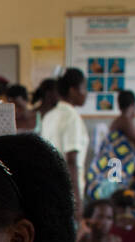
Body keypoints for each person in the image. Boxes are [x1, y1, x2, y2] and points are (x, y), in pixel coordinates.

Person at [86, 90, 135, 201]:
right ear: (133, 105)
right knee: (110, 203)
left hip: (111, 173)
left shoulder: (122, 121)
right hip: (108, 175)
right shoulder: (125, 120)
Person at [40, 68, 89, 212]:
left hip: (50, 188)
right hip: (67, 191)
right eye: (84, 88)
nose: (86, 93)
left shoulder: (50, 116)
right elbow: (71, 160)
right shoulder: (71, 117)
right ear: (73, 90)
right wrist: (77, 201)